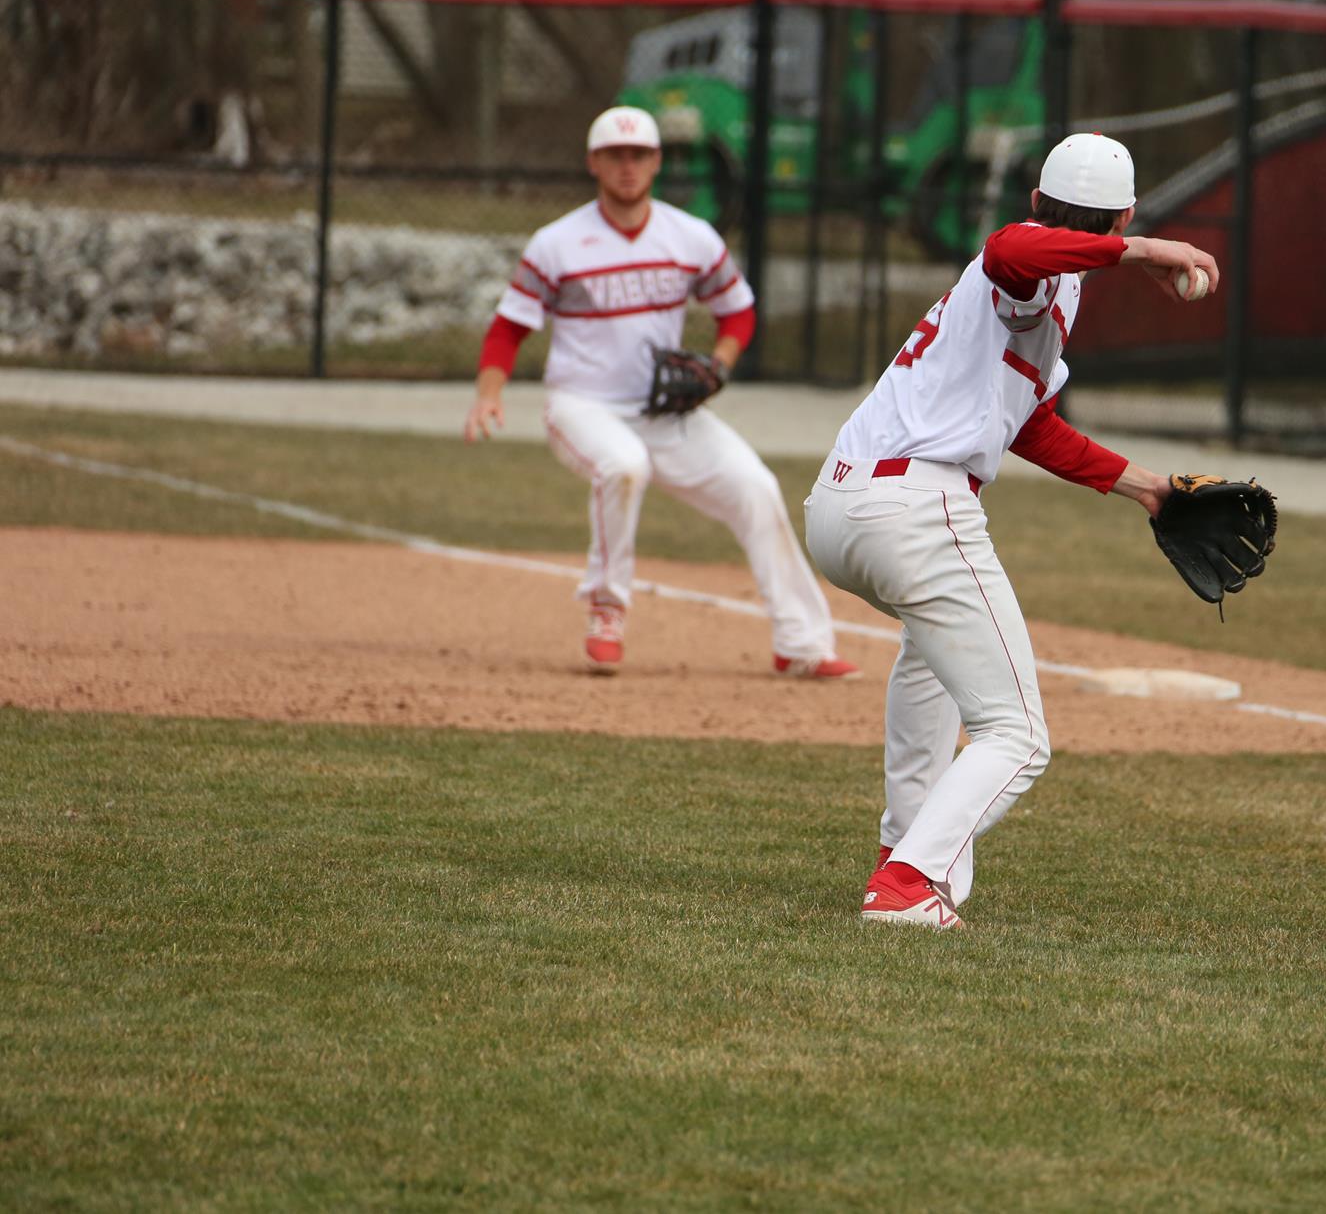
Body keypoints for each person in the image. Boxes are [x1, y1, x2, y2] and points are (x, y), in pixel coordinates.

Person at [805, 132, 1220, 929]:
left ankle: (906, 851)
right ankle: (907, 885)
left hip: (840, 505)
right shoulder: (1028, 268)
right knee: (1019, 735)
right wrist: (1146, 247)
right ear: (1127, 214)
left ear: (1036, 194)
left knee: (930, 659)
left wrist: (1148, 490)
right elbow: (1007, 250)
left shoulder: (1050, 283)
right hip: (916, 509)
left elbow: (1027, 424)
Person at [465, 105, 857, 680]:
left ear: (657, 162)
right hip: (583, 405)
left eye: (639, 155)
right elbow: (509, 327)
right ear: (593, 162)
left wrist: (718, 366)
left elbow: (738, 311)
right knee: (623, 466)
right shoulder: (557, 243)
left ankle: (802, 643)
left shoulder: (689, 236)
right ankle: (607, 608)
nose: (628, 166)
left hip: (662, 411)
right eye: (615, 155)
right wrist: (488, 393)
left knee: (756, 487)